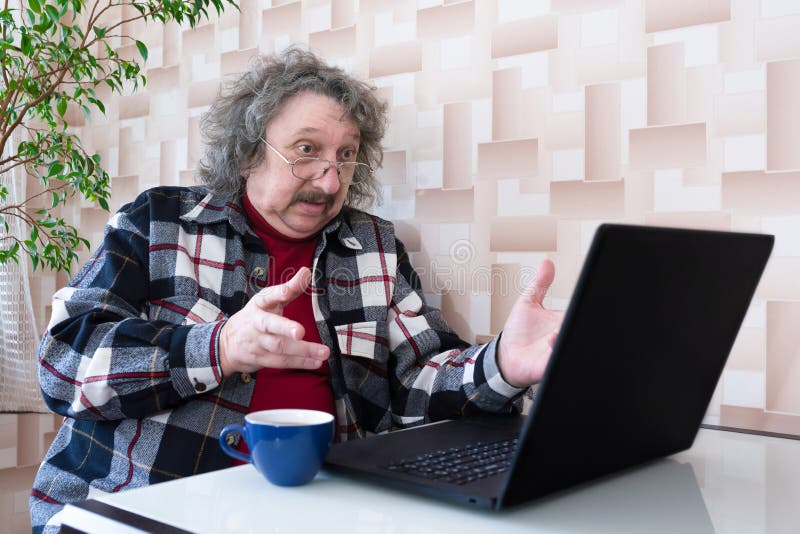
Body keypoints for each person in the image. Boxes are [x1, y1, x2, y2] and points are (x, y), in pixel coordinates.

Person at [29, 47, 562, 532]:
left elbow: (417, 381)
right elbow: (62, 362)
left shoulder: (372, 245)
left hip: (317, 514)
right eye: (306, 150)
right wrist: (219, 347)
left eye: (346, 156)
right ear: (247, 153)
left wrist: (504, 364)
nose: (330, 181)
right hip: (137, 508)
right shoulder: (161, 222)